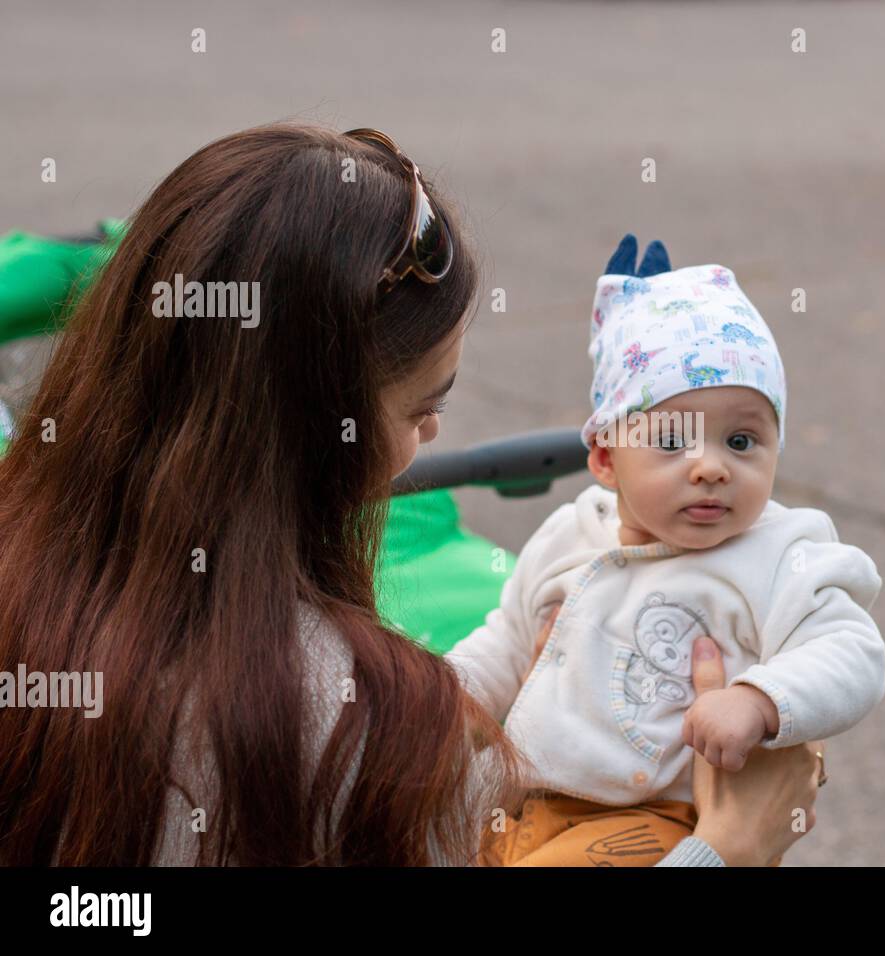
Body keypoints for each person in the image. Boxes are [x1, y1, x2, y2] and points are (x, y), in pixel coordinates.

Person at [0, 123, 820, 866]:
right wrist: (728, 849)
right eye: (423, 408)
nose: (429, 437)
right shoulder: (354, 722)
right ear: (319, 429)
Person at [447, 238, 885, 866]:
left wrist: (760, 701)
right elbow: (510, 642)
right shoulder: (569, 536)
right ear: (604, 457)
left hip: (656, 818)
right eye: (672, 440)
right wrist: (447, 701)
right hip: (521, 800)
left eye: (742, 439)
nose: (711, 467)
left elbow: (853, 652)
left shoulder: (782, 553)